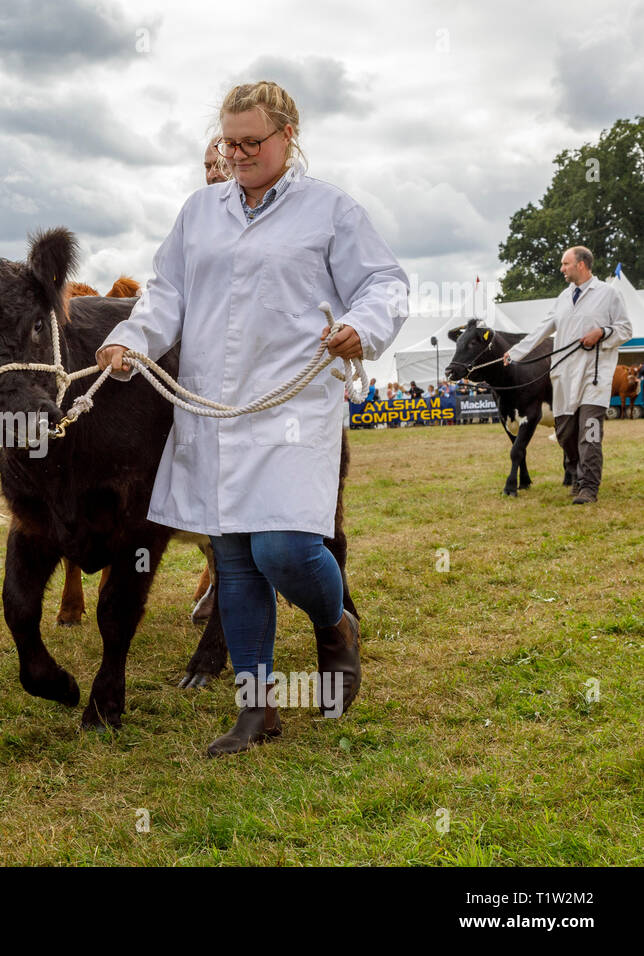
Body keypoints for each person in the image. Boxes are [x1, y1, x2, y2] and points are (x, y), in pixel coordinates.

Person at [96, 80, 408, 757]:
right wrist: (132, 340)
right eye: (227, 143)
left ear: (287, 136)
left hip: (292, 403)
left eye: (250, 143)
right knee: (235, 562)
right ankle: (255, 709)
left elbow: (384, 282)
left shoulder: (330, 210)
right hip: (213, 404)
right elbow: (167, 292)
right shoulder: (199, 212)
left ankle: (334, 625)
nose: (236, 155)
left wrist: (359, 324)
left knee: (284, 547)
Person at [503, 246, 632, 503]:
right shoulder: (563, 297)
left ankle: (588, 487)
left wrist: (602, 333)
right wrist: (515, 353)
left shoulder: (608, 294)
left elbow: (625, 329)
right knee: (564, 433)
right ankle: (575, 471)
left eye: (565, 263)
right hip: (563, 377)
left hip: (594, 377)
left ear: (581, 265)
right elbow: (543, 328)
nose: (561, 268)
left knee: (590, 432)